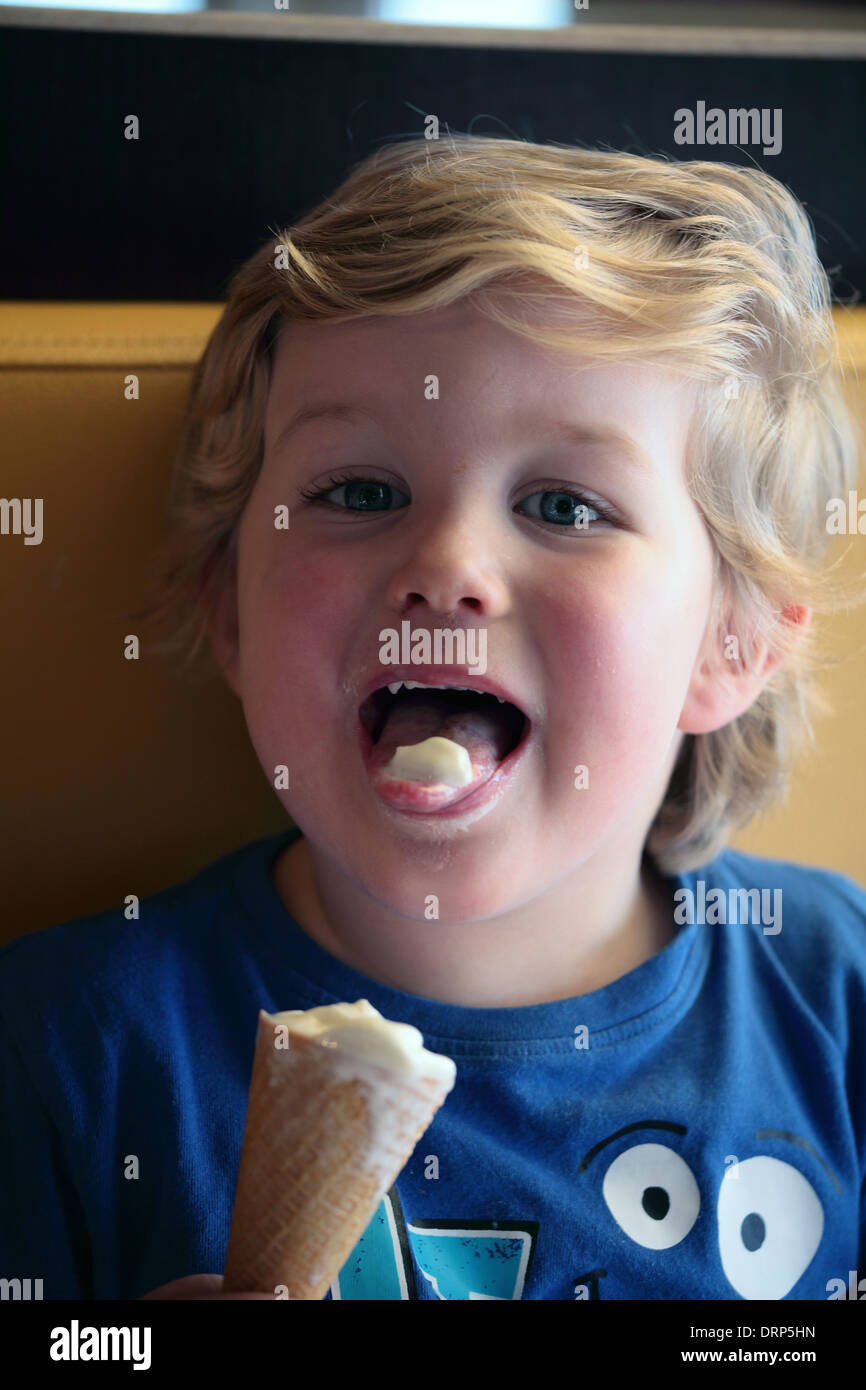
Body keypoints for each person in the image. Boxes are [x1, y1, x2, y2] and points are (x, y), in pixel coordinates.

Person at [2, 134, 864, 1301]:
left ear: (735, 644)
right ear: (229, 610)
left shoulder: (837, 1000)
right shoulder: (64, 1051)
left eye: (564, 504)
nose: (445, 566)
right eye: (358, 491)